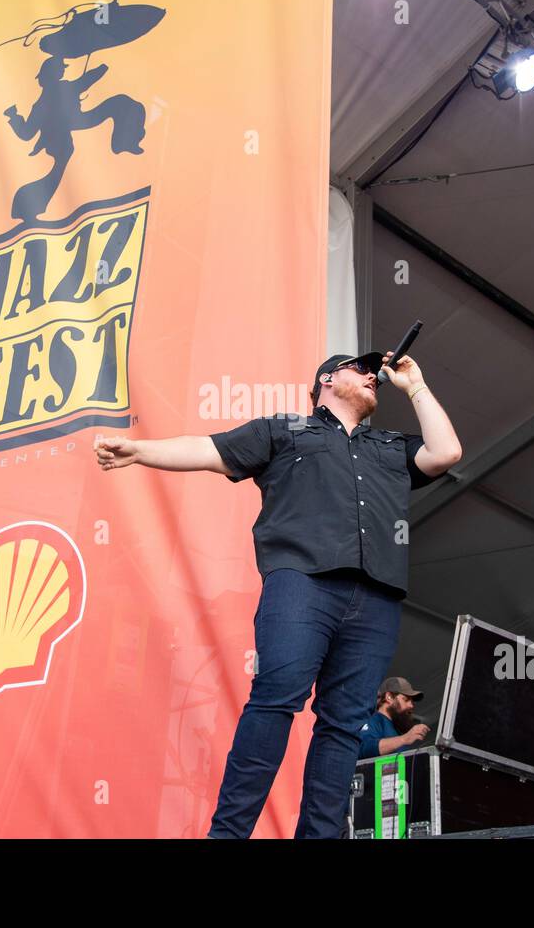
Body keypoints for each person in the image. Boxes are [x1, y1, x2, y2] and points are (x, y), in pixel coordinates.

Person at [94, 349, 462, 837]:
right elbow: (208, 448)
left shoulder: (389, 446)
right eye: (362, 369)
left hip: (376, 598)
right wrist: (140, 451)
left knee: (342, 725)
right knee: (274, 700)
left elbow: (446, 453)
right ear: (327, 380)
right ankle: (228, 833)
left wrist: (413, 383)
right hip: (301, 584)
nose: (374, 376)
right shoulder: (285, 430)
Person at [358, 676, 429, 759]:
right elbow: (362, 748)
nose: (411, 705)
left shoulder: (397, 729)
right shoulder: (373, 720)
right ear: (389, 697)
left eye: (412, 702)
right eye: (406, 700)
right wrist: (404, 739)